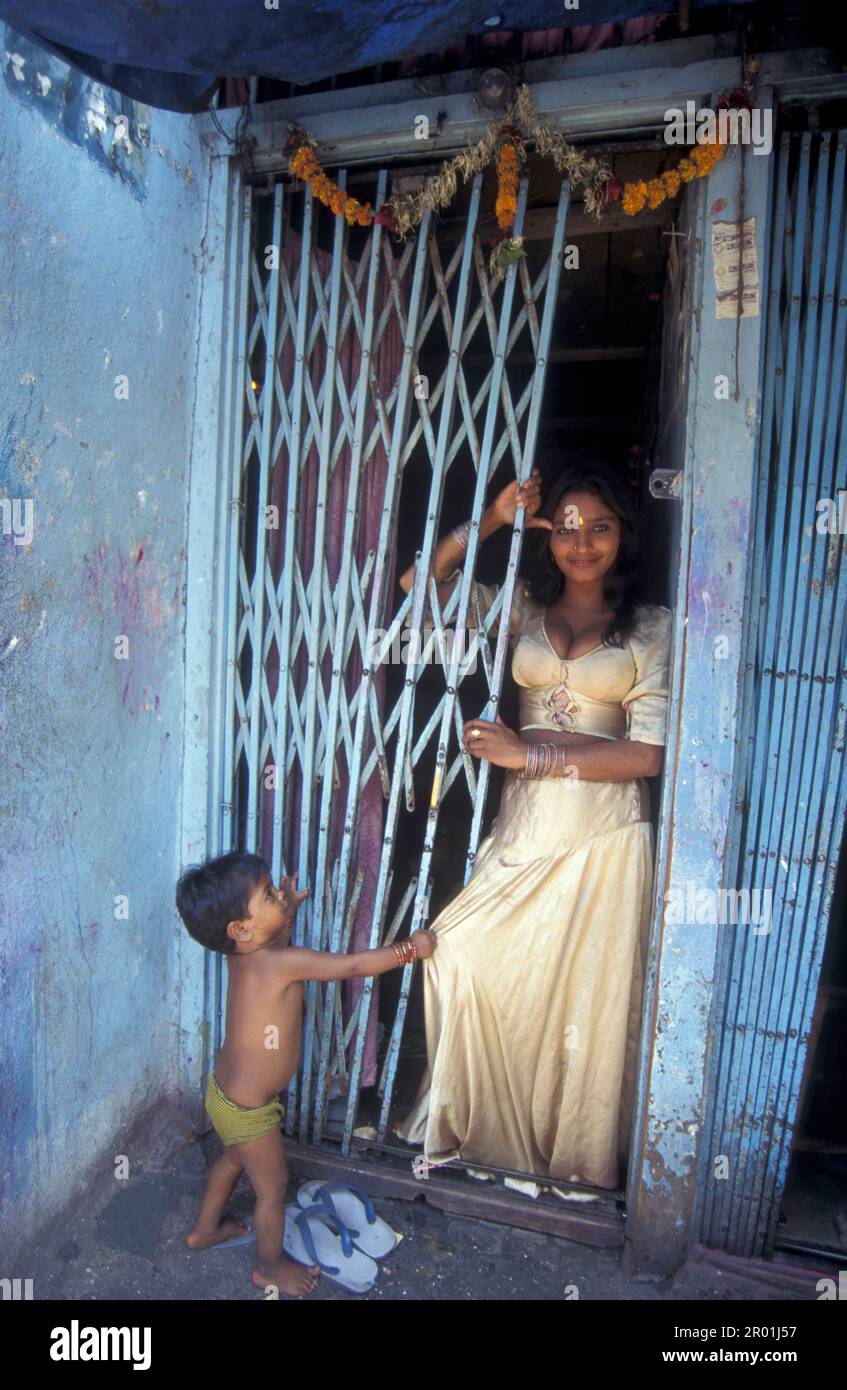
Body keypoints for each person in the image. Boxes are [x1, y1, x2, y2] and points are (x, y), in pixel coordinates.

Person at [394, 461, 672, 1190]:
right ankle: (491, 1136)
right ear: (549, 536)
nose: (582, 543)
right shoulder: (521, 605)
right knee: (462, 954)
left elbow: (645, 754)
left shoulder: (650, 627)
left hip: (602, 835)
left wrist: (529, 751)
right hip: (523, 826)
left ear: (625, 534)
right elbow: (419, 588)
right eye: (569, 527)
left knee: (575, 996)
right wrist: (491, 520)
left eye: (600, 527)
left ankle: (568, 1158)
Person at [175, 851, 436, 1294]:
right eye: (269, 894)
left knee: (233, 1160)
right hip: (251, 1111)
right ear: (241, 929)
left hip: (224, 1096)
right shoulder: (282, 962)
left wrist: (286, 908)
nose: (279, 894)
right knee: (272, 1191)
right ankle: (268, 1266)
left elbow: (270, 938)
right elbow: (352, 966)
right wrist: (410, 949)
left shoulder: (243, 957)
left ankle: (204, 1232)